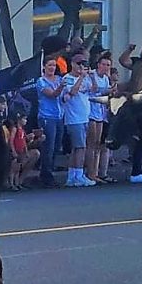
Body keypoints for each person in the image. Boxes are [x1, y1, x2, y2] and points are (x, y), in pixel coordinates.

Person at [60, 55, 95, 187]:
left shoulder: (86, 78)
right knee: (80, 147)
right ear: (72, 64)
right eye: (78, 63)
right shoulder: (67, 78)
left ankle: (72, 176)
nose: (81, 66)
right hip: (74, 119)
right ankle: (78, 175)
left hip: (84, 117)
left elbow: (94, 89)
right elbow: (73, 92)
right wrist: (81, 77)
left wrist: (91, 76)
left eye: (83, 64)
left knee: (77, 148)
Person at [34, 57, 66, 188]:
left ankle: (49, 171)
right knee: (49, 146)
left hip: (59, 116)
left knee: (57, 146)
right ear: (44, 67)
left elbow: (65, 95)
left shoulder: (59, 79)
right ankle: (46, 175)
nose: (52, 68)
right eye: (49, 65)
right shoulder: (41, 81)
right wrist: (61, 87)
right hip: (47, 117)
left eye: (54, 65)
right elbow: (52, 94)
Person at [85, 55, 116, 184]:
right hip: (91, 112)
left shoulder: (106, 79)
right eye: (103, 64)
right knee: (91, 143)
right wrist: (107, 91)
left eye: (108, 65)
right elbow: (94, 90)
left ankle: (96, 172)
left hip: (101, 113)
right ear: (98, 64)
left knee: (98, 144)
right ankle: (90, 173)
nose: (105, 67)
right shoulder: (91, 75)